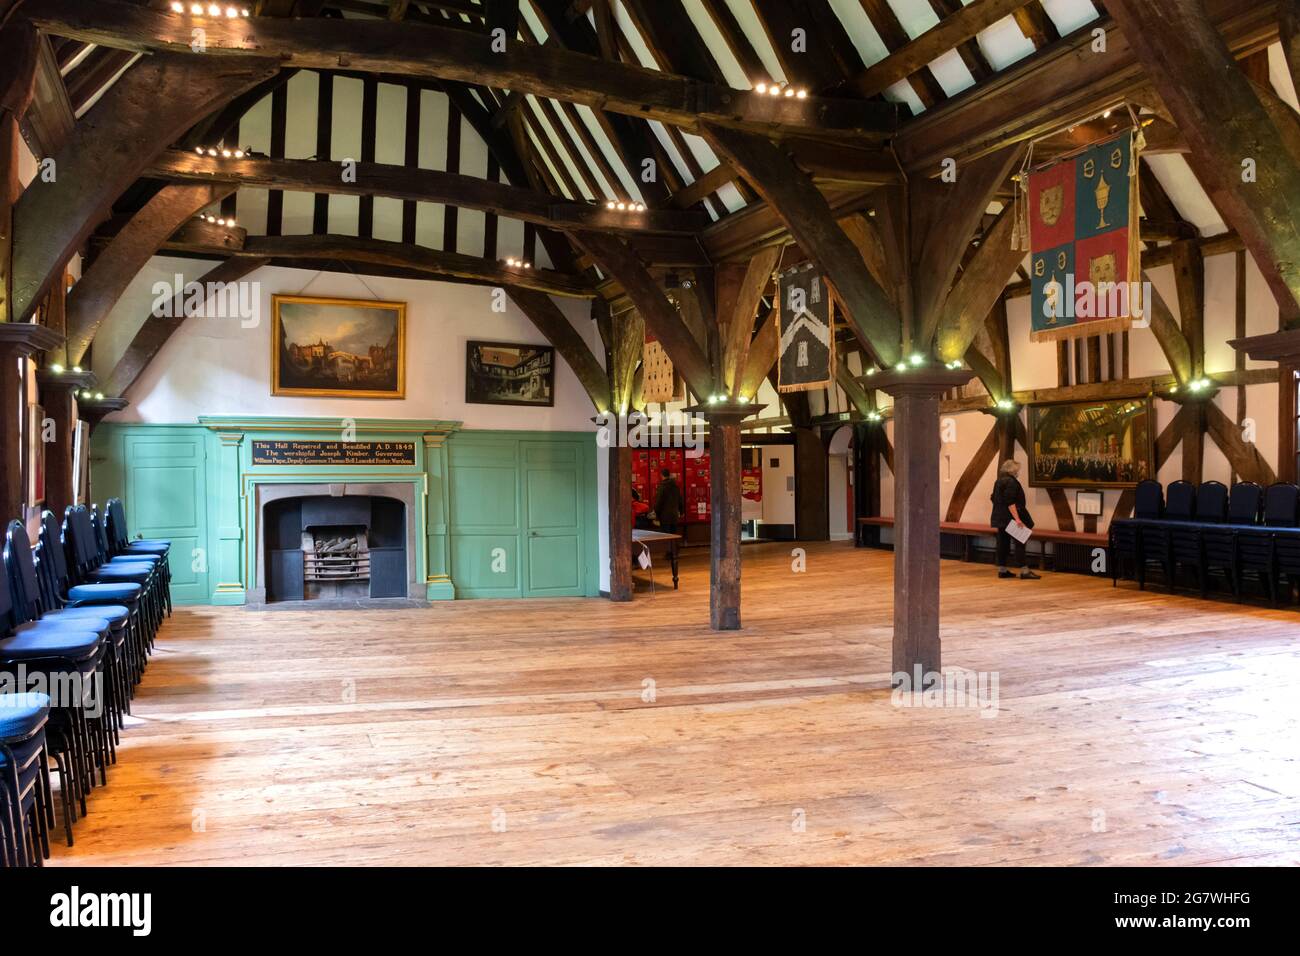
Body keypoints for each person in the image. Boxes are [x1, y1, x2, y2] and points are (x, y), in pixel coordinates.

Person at [990, 459, 1040, 580]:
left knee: (1003, 544)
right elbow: (1010, 502)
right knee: (1020, 543)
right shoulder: (1012, 482)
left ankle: (1002, 570)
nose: (1018, 472)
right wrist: (1017, 519)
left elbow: (993, 497)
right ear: (1012, 470)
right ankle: (1024, 571)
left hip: (1000, 518)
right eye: (1017, 470)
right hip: (1010, 519)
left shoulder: (999, 481)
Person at [653, 468, 683, 535]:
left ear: (661, 475)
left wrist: (656, 513)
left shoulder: (662, 487)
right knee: (673, 536)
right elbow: (680, 500)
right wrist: (681, 512)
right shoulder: (676, 487)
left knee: (666, 536)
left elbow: (659, 502)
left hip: (664, 517)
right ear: (669, 475)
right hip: (674, 516)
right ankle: (673, 545)